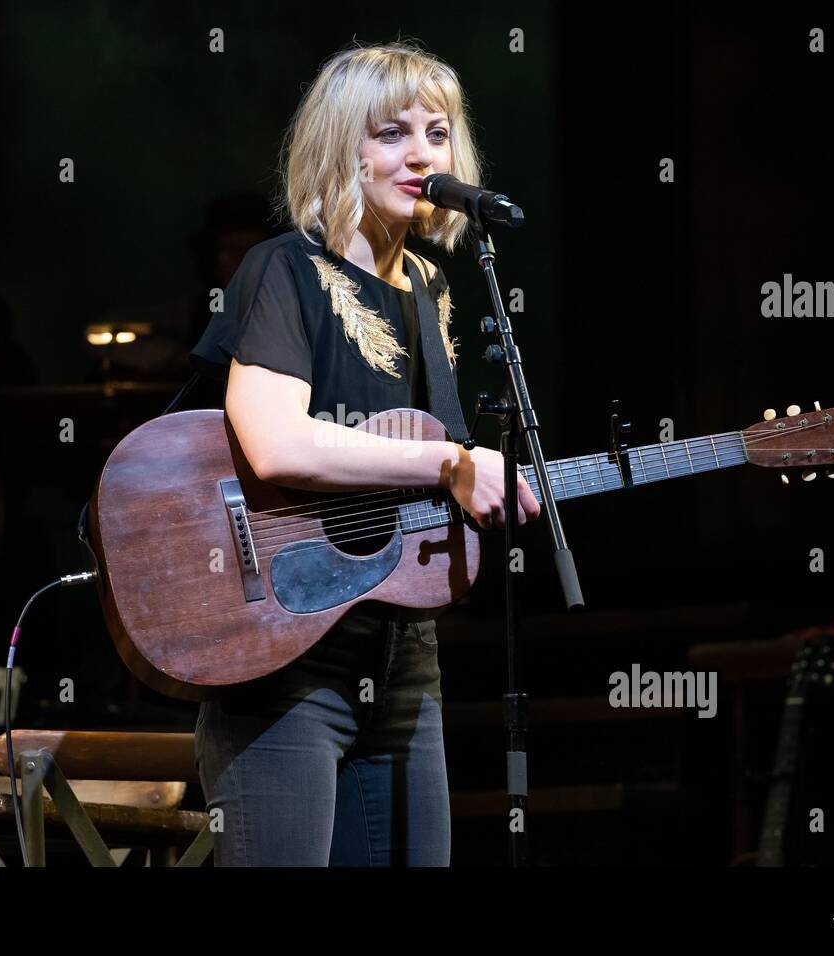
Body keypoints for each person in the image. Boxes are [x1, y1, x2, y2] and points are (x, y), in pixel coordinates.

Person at [187, 41, 540, 866]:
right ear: (341, 148)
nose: (421, 154)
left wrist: (472, 475)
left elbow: (425, 460)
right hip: (283, 659)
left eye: (437, 132)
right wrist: (449, 465)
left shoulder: (432, 288)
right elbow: (273, 444)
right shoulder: (284, 269)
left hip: (402, 658)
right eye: (391, 133)